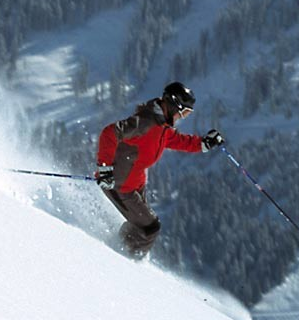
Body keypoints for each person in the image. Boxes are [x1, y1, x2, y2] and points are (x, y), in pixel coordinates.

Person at [93, 81, 223, 259]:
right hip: (119, 185)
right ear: (173, 104)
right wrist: (105, 168)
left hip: (135, 183)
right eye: (183, 112)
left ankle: (117, 249)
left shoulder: (162, 126)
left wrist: (203, 144)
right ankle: (124, 260)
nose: (182, 117)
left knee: (143, 226)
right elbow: (110, 132)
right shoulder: (145, 123)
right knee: (150, 227)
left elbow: (178, 140)